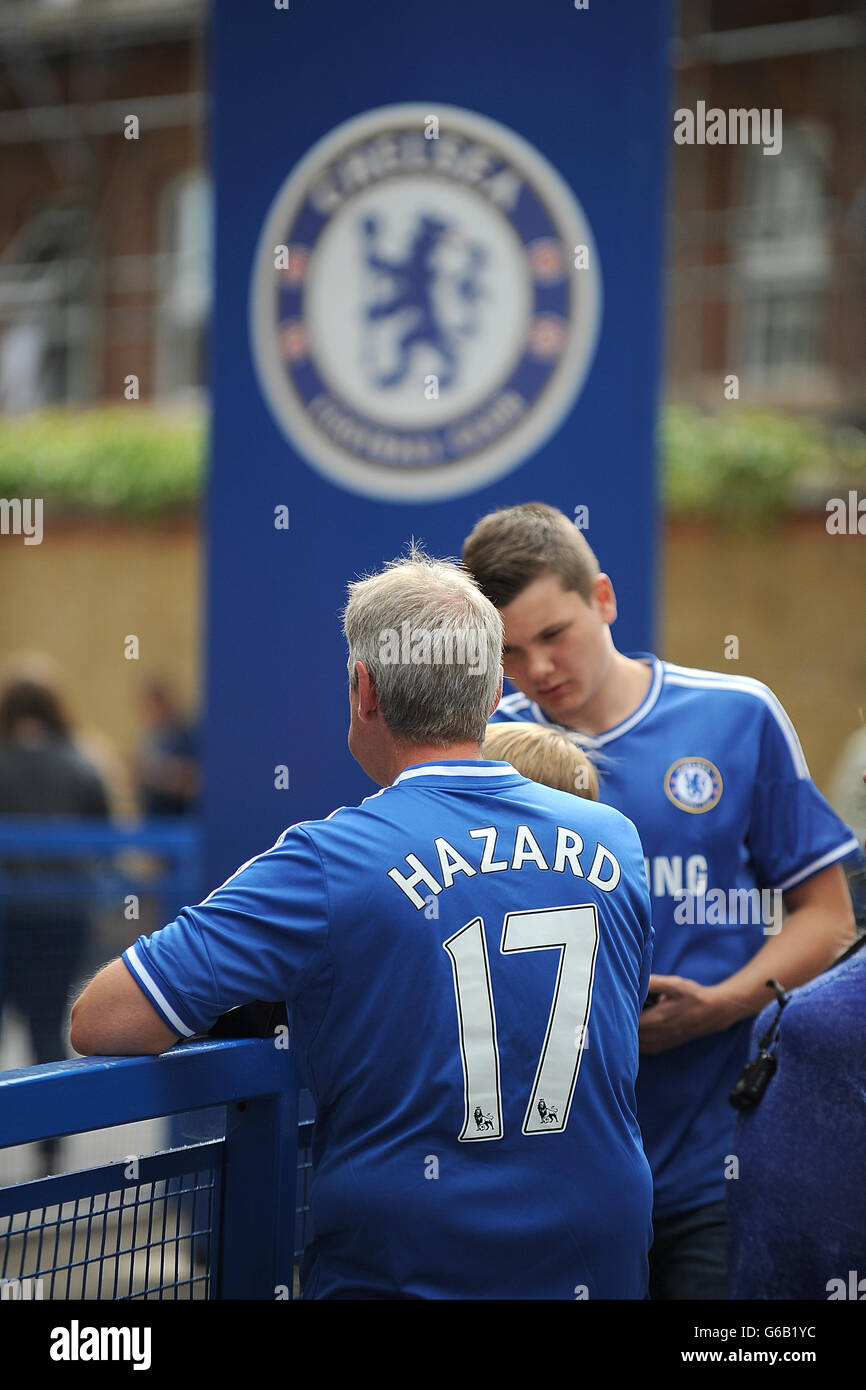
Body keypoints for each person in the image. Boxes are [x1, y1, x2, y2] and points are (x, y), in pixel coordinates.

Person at [71, 550, 654, 1300]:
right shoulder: (616, 839)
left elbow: (103, 1019)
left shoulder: (326, 861)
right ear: (496, 688)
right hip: (595, 1261)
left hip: (407, 1265)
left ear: (364, 689)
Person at [462, 501, 858, 1300]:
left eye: (553, 634)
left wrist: (722, 1004)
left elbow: (829, 916)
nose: (536, 669)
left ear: (603, 599)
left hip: (722, 1155)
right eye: (508, 651)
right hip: (556, 1174)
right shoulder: (481, 751)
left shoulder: (734, 715)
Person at [0, 671, 111, 1171]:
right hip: (62, 918)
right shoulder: (83, 764)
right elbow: (104, 841)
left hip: (6, 915)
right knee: (48, 1026)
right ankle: (49, 1148)